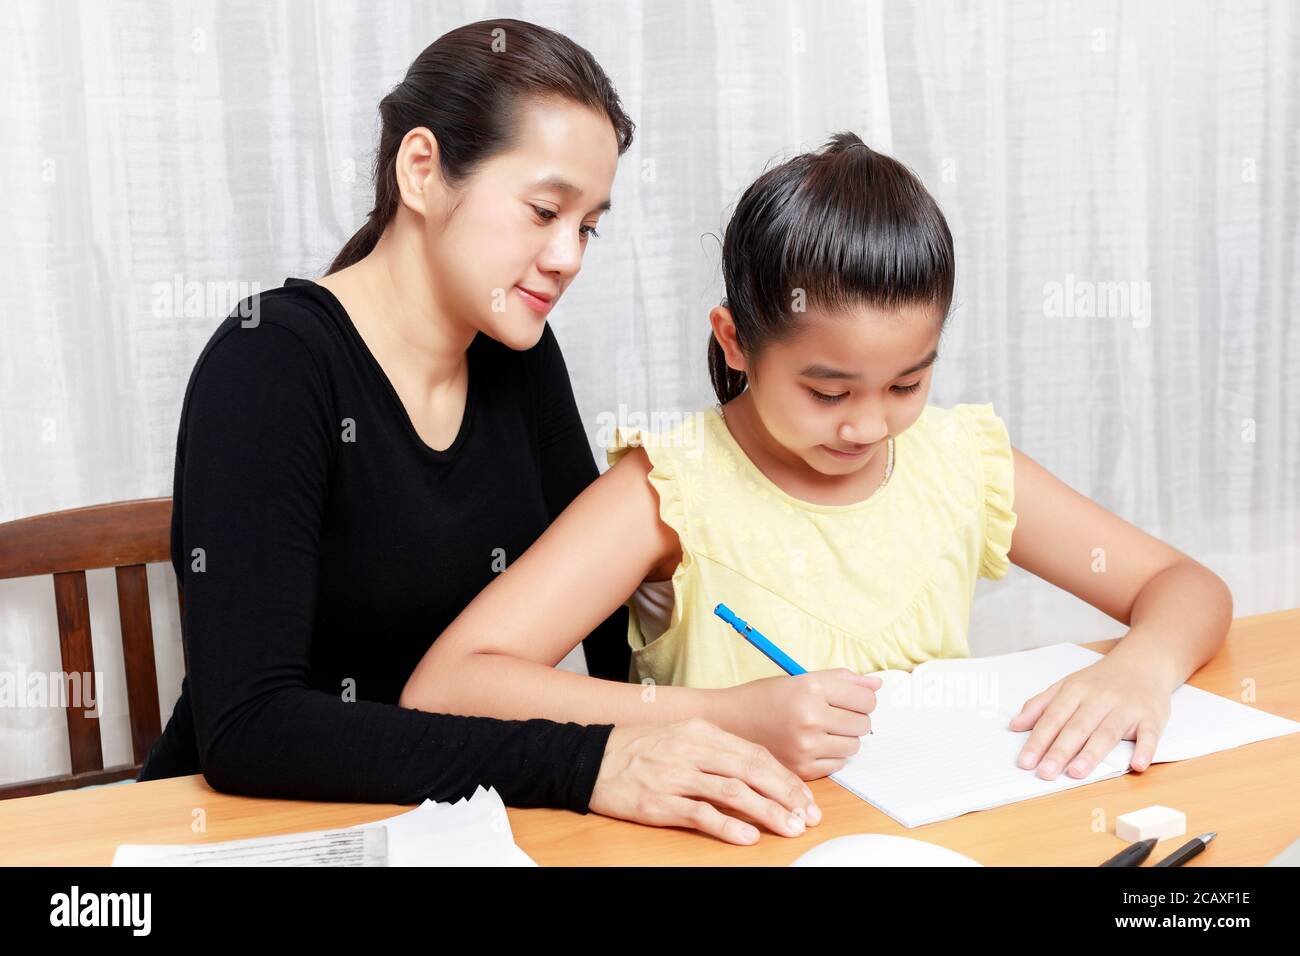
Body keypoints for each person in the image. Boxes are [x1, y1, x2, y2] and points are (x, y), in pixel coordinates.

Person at [139, 18, 821, 849]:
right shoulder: (269, 362)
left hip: (442, 827)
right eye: (544, 210)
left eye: (589, 226)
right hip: (251, 830)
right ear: (422, 170)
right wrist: (588, 763)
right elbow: (250, 729)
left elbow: (610, 630)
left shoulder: (518, 355)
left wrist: (705, 745)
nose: (568, 255)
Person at [400, 132, 1234, 785]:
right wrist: (726, 715)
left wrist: (1140, 669)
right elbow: (451, 686)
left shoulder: (960, 460)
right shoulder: (669, 488)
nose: (869, 426)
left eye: (908, 381)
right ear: (736, 342)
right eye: (829, 393)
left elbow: (1186, 587)